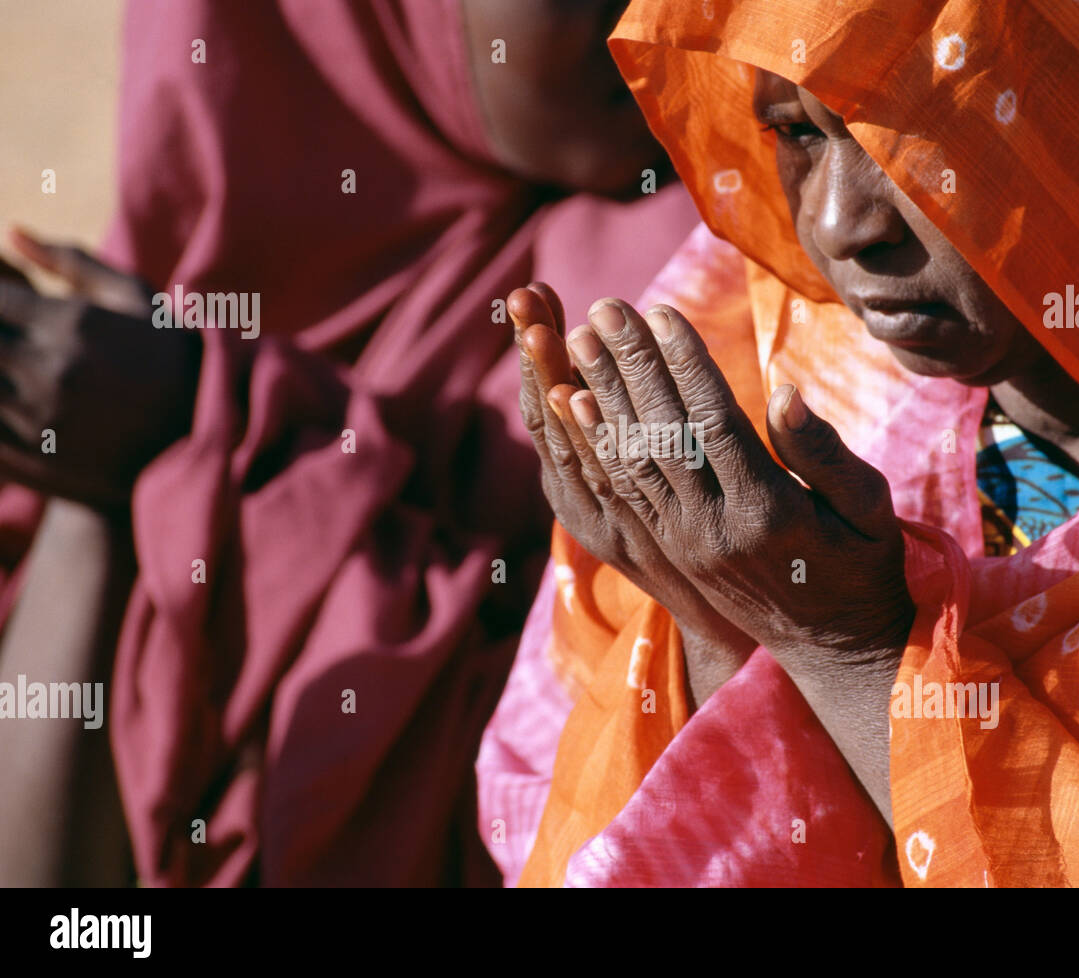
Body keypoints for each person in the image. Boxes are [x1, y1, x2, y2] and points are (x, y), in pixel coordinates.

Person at [481, 0, 1079, 886]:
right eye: (793, 131)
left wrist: (847, 651)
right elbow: (541, 806)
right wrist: (708, 621)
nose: (839, 225)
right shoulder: (772, 338)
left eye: (914, 133)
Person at [0, 0, 698, 886]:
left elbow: (610, 761)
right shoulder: (140, 320)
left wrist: (201, 435)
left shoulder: (724, 261)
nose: (652, 13)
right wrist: (114, 480)